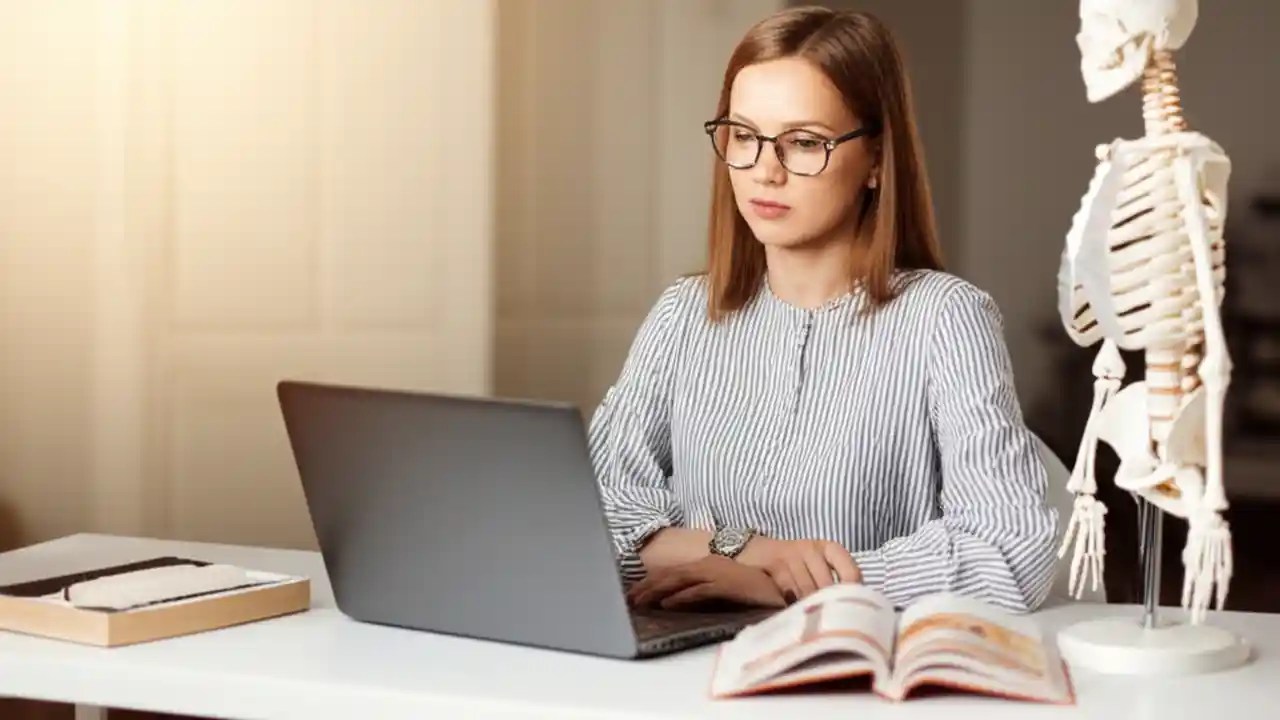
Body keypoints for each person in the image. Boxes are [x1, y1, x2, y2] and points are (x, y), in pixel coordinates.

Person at [588, 6, 1058, 615]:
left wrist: (796, 589)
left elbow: (1012, 547)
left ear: (878, 160)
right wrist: (744, 551)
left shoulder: (945, 318)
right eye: (744, 136)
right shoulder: (684, 314)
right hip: (680, 672)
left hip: (849, 678)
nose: (765, 170)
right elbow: (592, 509)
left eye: (805, 142)